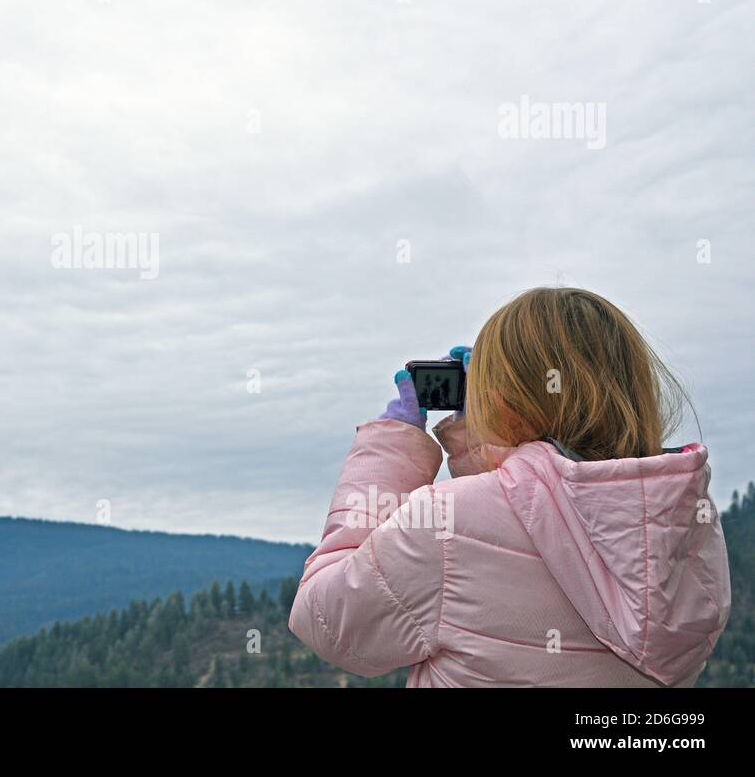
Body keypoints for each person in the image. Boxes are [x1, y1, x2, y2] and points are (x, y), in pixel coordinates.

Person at [288, 287, 730, 686]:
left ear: (501, 401)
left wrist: (387, 451)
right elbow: (538, 517)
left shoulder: (445, 525)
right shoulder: (682, 518)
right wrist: (482, 442)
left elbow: (327, 619)